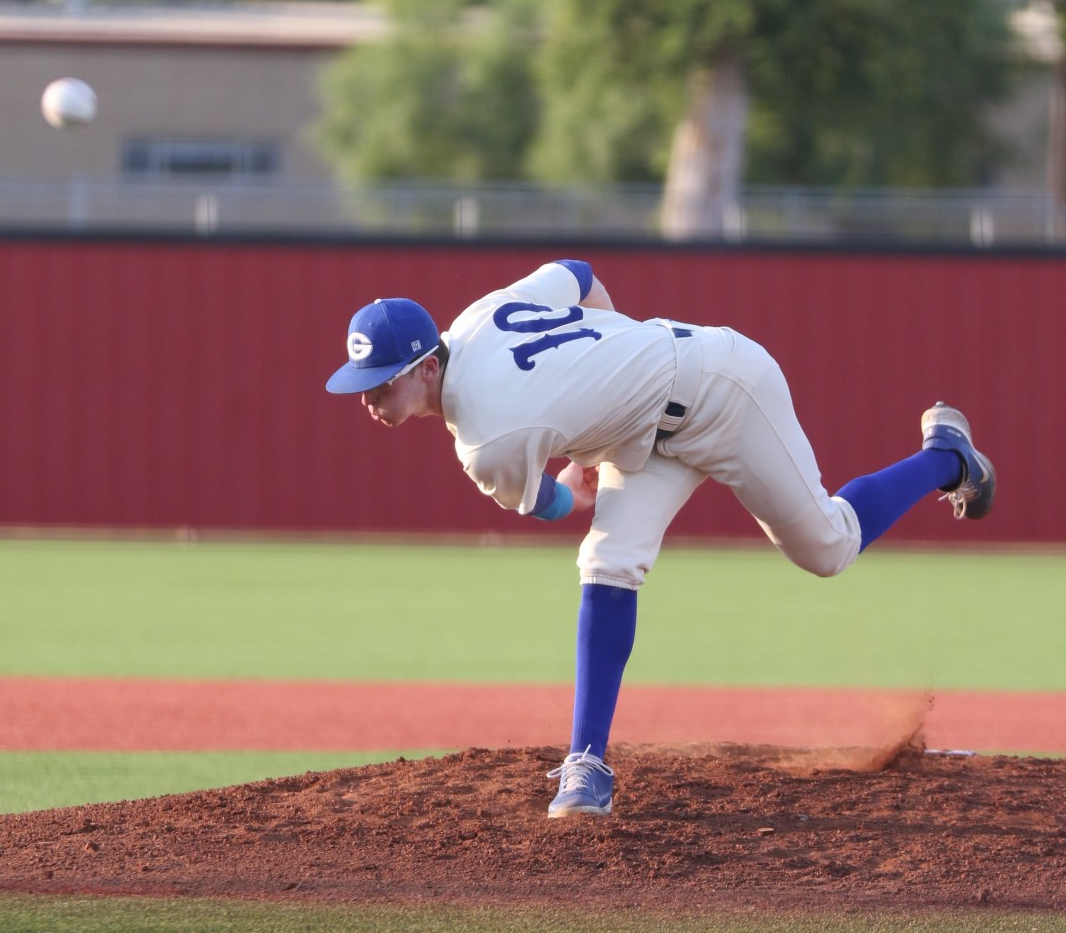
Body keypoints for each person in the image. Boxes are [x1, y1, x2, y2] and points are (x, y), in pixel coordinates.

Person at [325, 259, 996, 818]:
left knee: (828, 545)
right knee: (608, 560)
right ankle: (586, 764)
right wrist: (609, 366)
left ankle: (947, 456)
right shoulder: (476, 316)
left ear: (426, 369)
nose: (367, 400)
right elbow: (579, 275)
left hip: (723, 390)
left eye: (380, 383)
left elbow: (556, 501)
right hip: (645, 435)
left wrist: (584, 459)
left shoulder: (485, 438)